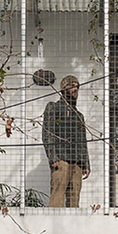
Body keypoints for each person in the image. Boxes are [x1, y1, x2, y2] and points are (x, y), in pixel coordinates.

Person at [42, 74, 89, 207]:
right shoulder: (53, 107)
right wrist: (52, 157)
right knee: (57, 195)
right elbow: (47, 133)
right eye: (72, 86)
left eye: (77, 87)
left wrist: (86, 164)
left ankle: (72, 227)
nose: (75, 90)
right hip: (60, 159)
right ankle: (53, 226)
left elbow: (83, 141)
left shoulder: (79, 116)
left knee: (74, 198)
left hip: (77, 161)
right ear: (63, 88)